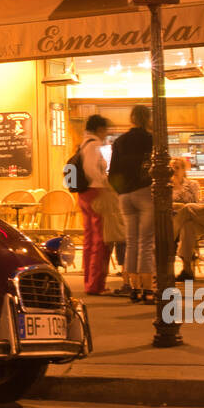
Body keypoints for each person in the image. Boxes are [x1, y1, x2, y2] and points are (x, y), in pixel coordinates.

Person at [109, 105, 154, 302]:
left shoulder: (120, 141)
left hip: (124, 196)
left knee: (131, 242)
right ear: (148, 119)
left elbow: (112, 174)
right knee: (146, 242)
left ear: (132, 118)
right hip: (144, 191)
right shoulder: (151, 139)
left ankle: (133, 287)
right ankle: (148, 289)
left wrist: (122, 191)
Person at [75, 114, 111, 295]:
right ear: (99, 129)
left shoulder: (83, 143)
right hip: (95, 192)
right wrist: (104, 184)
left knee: (90, 239)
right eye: (105, 130)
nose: (106, 134)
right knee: (99, 240)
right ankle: (96, 284)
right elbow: (92, 170)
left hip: (84, 194)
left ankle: (89, 282)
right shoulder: (94, 145)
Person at [169, 157, 201, 280]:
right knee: (184, 226)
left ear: (183, 170)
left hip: (187, 220)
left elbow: (194, 203)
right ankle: (184, 269)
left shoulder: (192, 184)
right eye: (171, 168)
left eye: (177, 168)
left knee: (186, 226)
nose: (174, 170)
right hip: (170, 220)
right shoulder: (164, 185)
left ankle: (187, 268)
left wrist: (178, 186)